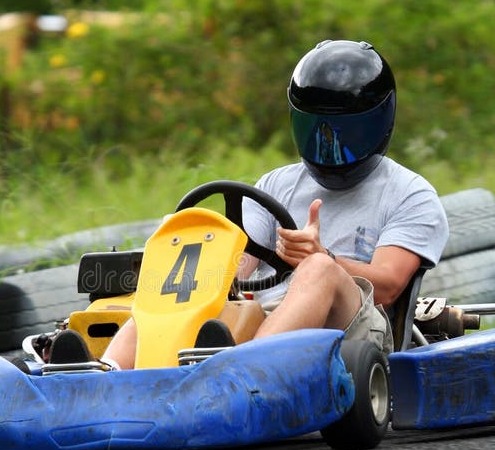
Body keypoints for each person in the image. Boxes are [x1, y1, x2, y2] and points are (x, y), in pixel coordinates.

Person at [49, 38, 449, 368]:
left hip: (355, 336)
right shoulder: (277, 183)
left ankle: (238, 371)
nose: (329, 149)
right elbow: (240, 265)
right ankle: (104, 379)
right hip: (261, 324)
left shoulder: (410, 193)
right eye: (316, 131)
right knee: (172, 291)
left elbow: (390, 286)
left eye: (346, 133)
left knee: (320, 270)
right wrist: (194, 265)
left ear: (380, 123)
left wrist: (321, 255)